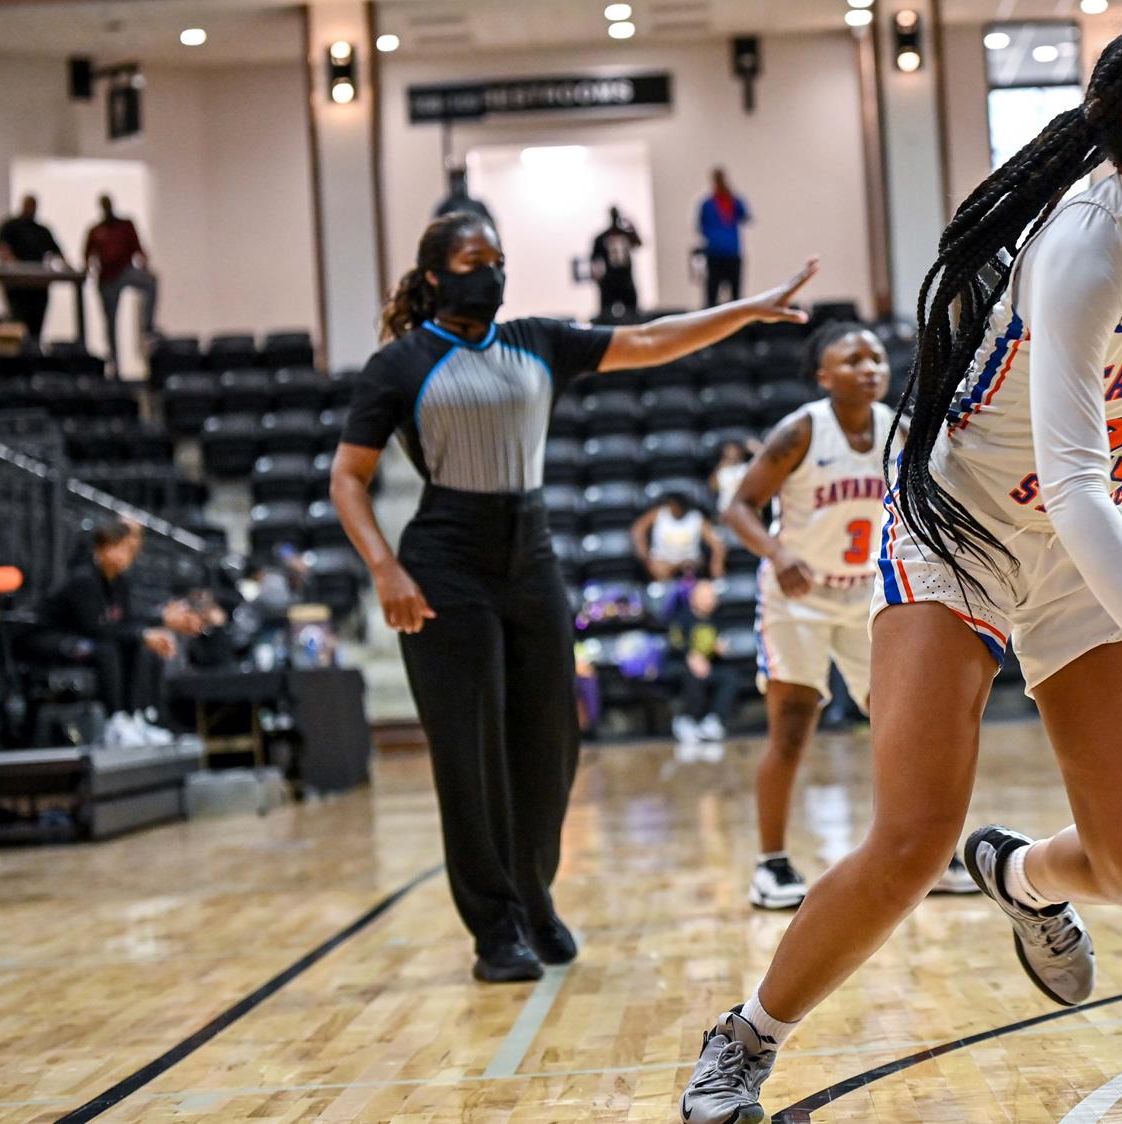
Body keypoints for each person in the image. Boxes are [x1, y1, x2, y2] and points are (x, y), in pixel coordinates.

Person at [678, 8, 1122, 1120]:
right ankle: (746, 1034)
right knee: (912, 835)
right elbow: (1067, 478)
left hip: (1086, 542)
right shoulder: (1084, 248)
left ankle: (1015, 873)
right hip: (961, 531)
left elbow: (1121, 444)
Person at [330, 209, 818, 985]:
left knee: (552, 743)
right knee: (470, 754)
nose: (488, 269)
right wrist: (385, 568)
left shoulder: (536, 339)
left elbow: (656, 339)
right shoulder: (400, 364)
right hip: (445, 562)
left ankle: (534, 894)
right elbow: (346, 479)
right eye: (470, 257)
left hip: (531, 556)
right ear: (433, 276)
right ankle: (495, 928)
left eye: (497, 255)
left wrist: (748, 307)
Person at [719, 321, 976, 910]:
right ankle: (771, 864)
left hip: (866, 593)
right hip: (798, 596)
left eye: (876, 357)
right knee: (791, 729)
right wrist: (778, 553)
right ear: (823, 375)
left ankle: (922, 850)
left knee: (899, 723)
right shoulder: (801, 431)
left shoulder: (900, 431)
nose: (869, 366)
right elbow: (737, 507)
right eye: (852, 358)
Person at [37, 521, 197, 746]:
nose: (125, 555)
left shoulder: (118, 581)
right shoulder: (84, 579)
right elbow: (95, 628)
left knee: (141, 647)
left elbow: (126, 621)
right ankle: (115, 721)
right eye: (118, 548)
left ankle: (137, 716)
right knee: (108, 649)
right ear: (101, 550)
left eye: (127, 550)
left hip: (89, 637)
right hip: (53, 638)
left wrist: (152, 630)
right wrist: (142, 634)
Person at [84, 195, 158, 374]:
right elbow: (88, 254)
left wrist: (144, 262)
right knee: (110, 322)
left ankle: (147, 327)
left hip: (126, 270)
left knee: (150, 283)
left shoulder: (125, 225)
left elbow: (137, 247)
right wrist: (88, 269)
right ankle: (115, 364)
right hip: (108, 278)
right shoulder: (96, 230)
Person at [666, 579, 741, 745]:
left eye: (712, 596)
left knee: (729, 676)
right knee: (692, 675)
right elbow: (675, 643)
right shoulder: (682, 618)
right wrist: (691, 656)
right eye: (706, 596)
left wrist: (719, 650)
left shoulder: (716, 620)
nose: (710, 600)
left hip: (709, 665)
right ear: (693, 598)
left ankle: (714, 721)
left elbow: (719, 643)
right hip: (679, 664)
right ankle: (687, 720)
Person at [0, 195, 66, 342]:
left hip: (38, 288)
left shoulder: (41, 230)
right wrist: (15, 266)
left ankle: (33, 359)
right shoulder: (10, 226)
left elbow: (57, 252)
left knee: (36, 328)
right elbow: (2, 247)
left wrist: (70, 268)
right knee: (17, 324)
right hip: (17, 287)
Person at [632, 492, 726, 584]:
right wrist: (645, 555)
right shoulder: (659, 514)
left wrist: (716, 568)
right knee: (660, 569)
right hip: (662, 560)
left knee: (689, 570)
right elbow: (638, 529)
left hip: (689, 563)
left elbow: (717, 543)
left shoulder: (696, 518)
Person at [697, 168, 750, 308]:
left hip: (731, 253)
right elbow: (701, 226)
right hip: (715, 254)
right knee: (712, 296)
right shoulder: (707, 204)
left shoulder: (733, 201)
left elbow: (745, 215)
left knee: (736, 297)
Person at [591, 207, 643, 320]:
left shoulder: (626, 234)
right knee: (605, 314)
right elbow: (594, 261)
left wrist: (632, 228)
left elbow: (639, 243)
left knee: (633, 314)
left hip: (625, 280)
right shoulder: (602, 237)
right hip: (610, 280)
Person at [710, 439, 752, 512]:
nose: (731, 453)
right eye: (729, 450)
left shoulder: (747, 467)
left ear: (740, 451)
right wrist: (719, 467)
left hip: (744, 507)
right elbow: (713, 487)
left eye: (734, 450)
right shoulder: (722, 469)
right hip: (725, 508)